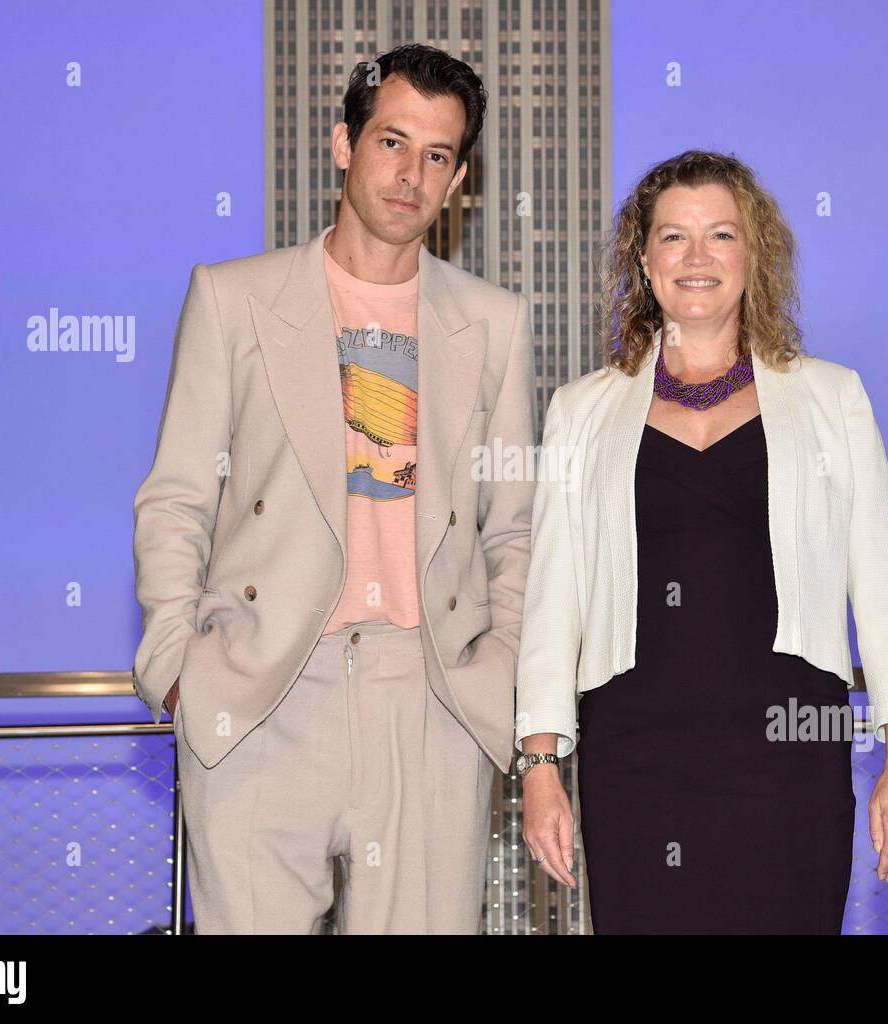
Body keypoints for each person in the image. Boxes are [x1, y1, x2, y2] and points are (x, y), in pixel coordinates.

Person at [131, 43, 536, 933]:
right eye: (392, 142)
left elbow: (514, 530)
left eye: (438, 155)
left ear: (459, 176)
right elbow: (176, 498)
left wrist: (497, 675)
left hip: (429, 699)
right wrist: (175, 666)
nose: (411, 174)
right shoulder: (233, 300)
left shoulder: (494, 324)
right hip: (264, 689)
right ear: (343, 144)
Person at [514, 150, 888, 934]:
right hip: (634, 750)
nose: (698, 258)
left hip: (788, 745)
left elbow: (880, 582)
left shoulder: (831, 397)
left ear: (754, 254)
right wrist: (542, 768)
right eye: (674, 237)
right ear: (644, 261)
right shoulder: (581, 412)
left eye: (721, 235)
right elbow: (552, 603)